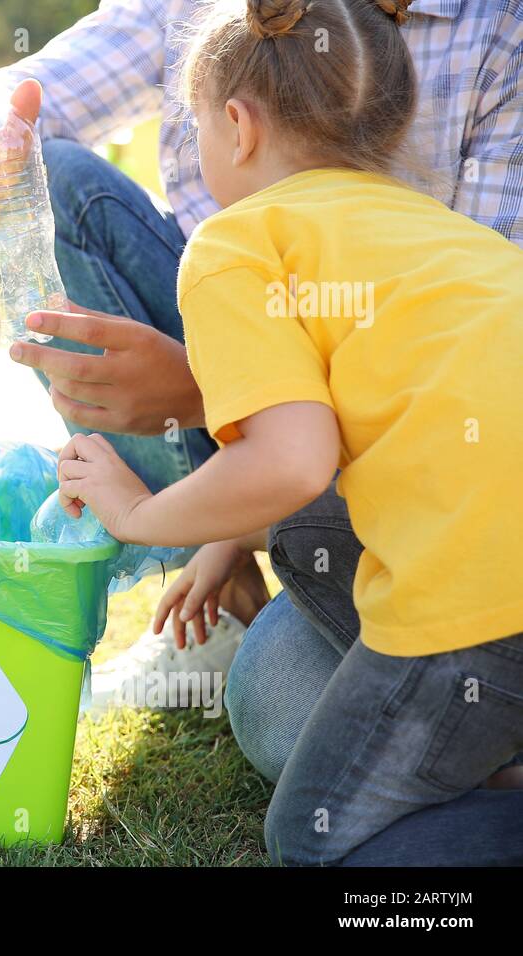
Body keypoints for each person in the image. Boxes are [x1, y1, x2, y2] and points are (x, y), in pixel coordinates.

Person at [0, 0, 523, 762]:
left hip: (404, 478)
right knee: (279, 702)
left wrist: (158, 484)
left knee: (298, 730)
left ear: (238, 127)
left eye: (200, 126)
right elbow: (31, 95)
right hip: (359, 469)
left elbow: (383, 416)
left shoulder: (500, 32)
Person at [56, 0, 523, 865]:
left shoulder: (240, 242)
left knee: (319, 847)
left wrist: (135, 513)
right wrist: (223, 534)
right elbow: (345, 458)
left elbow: (295, 458)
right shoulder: (451, 238)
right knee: (313, 535)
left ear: (235, 126)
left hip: (485, 598)